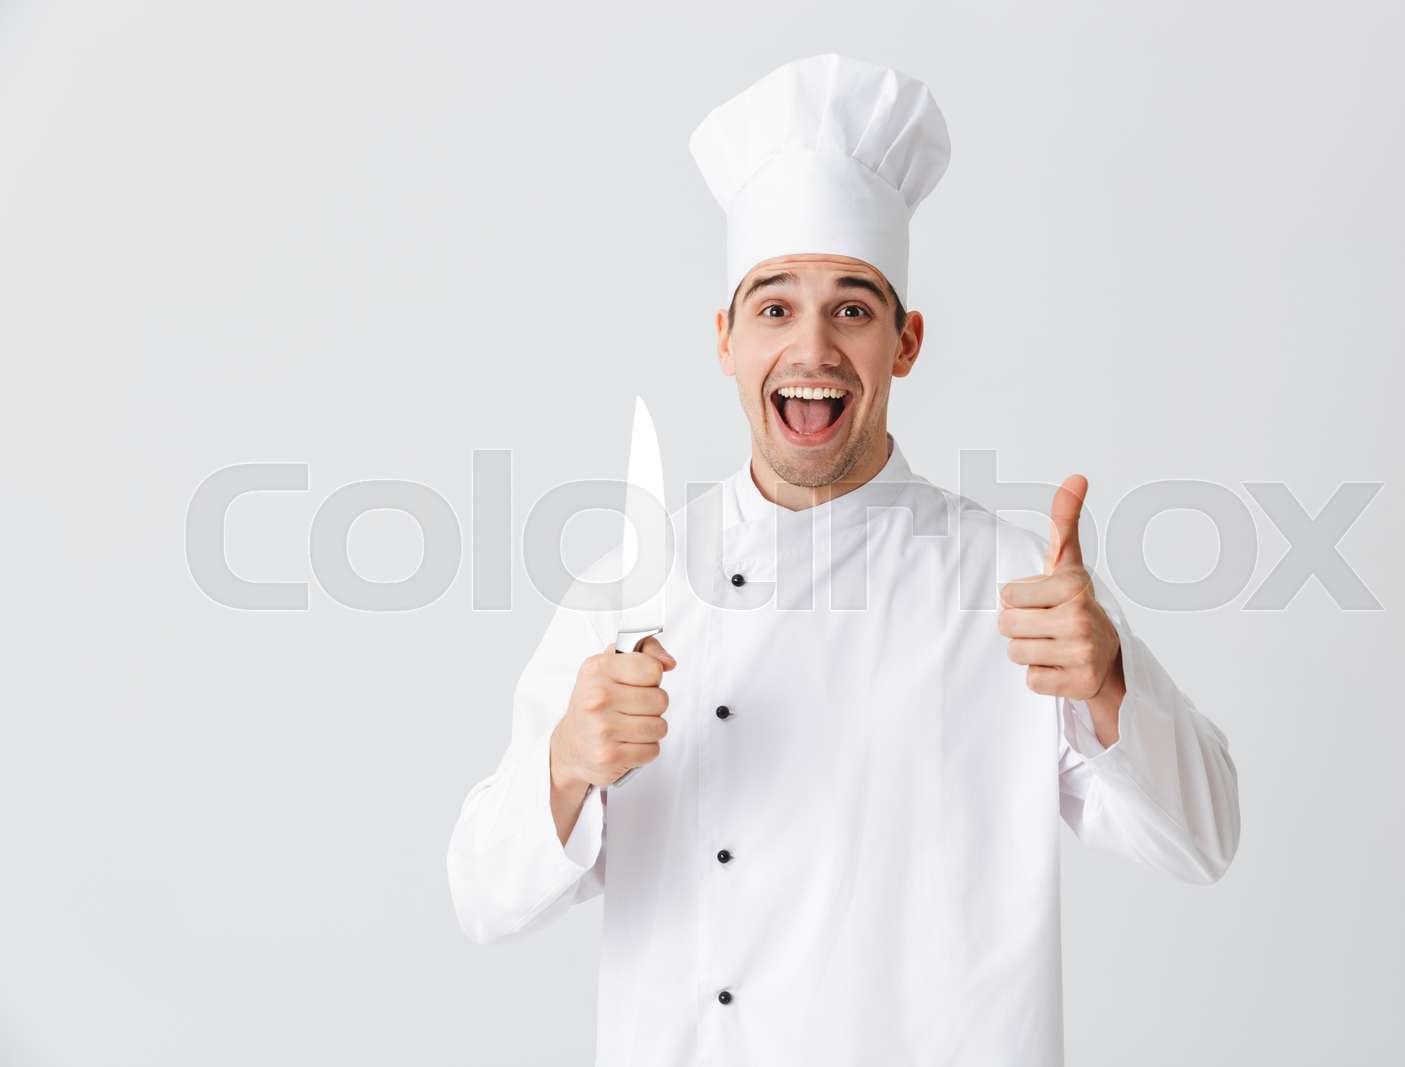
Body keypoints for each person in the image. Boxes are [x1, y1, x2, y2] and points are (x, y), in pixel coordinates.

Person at [446, 52, 1240, 1066]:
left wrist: (1113, 681)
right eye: (775, 306)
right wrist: (566, 766)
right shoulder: (631, 581)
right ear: (725, 337)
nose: (812, 347)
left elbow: (1203, 840)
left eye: (852, 309)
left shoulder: (1018, 586)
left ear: (904, 342)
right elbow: (482, 895)